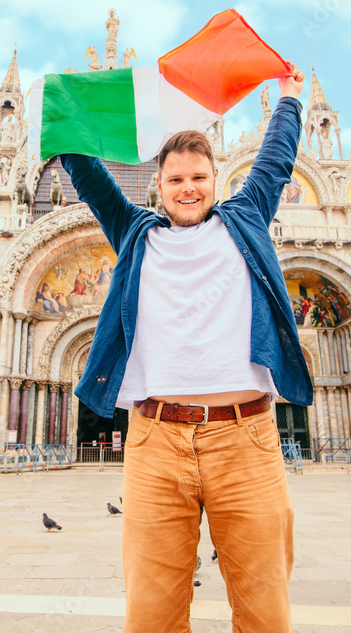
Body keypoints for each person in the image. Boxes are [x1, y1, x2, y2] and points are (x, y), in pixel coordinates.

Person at [60, 69, 311, 632]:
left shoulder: (245, 219)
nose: (188, 187)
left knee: (265, 608)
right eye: (176, 179)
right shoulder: (134, 233)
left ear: (216, 181)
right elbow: (89, 177)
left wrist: (290, 99)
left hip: (245, 438)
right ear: (159, 186)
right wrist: (64, 112)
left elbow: (275, 161)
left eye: (199, 176)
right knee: (152, 613)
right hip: (155, 441)